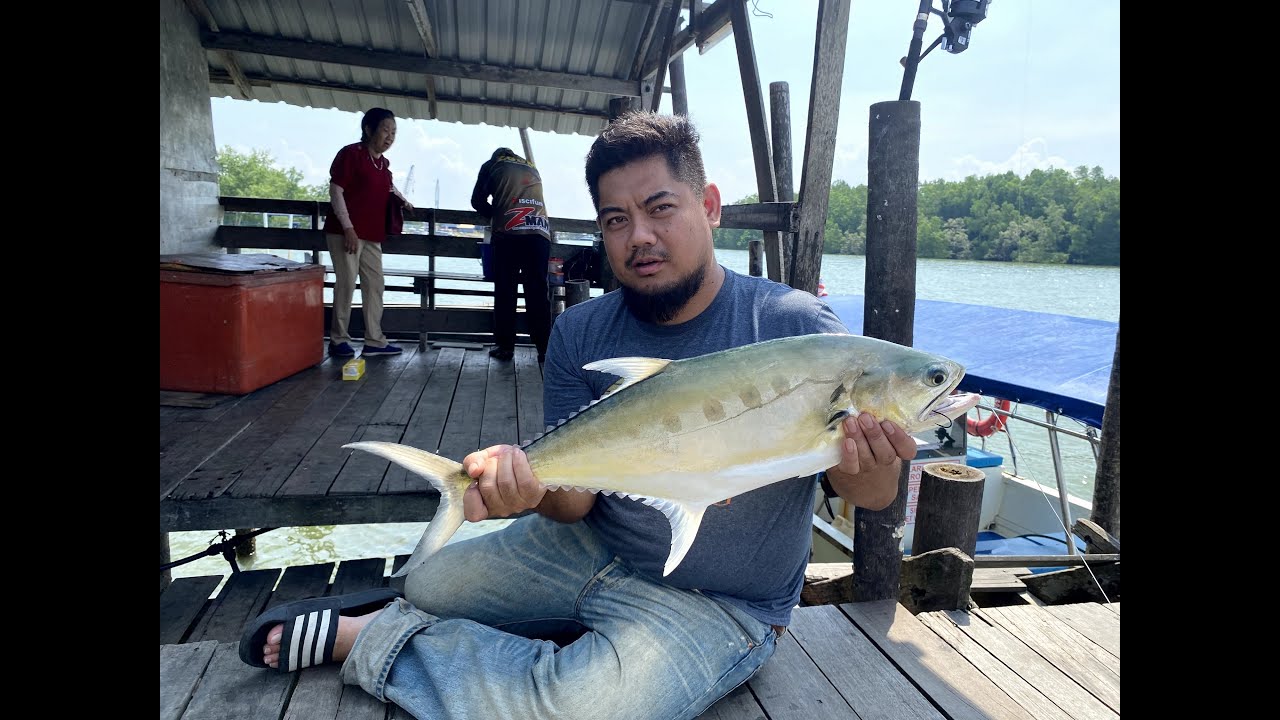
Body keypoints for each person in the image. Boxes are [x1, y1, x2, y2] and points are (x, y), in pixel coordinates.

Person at [240, 112, 918, 719]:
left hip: (720, 602)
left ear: (709, 206)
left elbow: (871, 494)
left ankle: (376, 639)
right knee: (428, 580)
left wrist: (871, 456)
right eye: (615, 220)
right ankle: (459, 619)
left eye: (660, 208)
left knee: (580, 709)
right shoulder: (581, 331)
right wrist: (528, 488)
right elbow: (576, 503)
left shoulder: (794, 326)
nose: (639, 237)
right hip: (589, 549)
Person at [323, 107, 414, 358]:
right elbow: (336, 190)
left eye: (394, 132)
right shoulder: (351, 154)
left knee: (375, 285)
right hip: (345, 233)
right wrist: (348, 228)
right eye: (385, 130)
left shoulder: (383, 164)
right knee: (346, 283)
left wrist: (405, 201)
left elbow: (389, 187)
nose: (390, 136)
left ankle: (375, 340)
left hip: (372, 234)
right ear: (368, 129)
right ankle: (338, 339)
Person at [470, 147, 552, 361]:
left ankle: (505, 347)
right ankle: (545, 348)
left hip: (509, 231)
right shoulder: (531, 167)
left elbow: (477, 201)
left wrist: (496, 214)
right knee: (537, 291)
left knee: (506, 289)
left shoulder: (492, 165)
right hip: (539, 232)